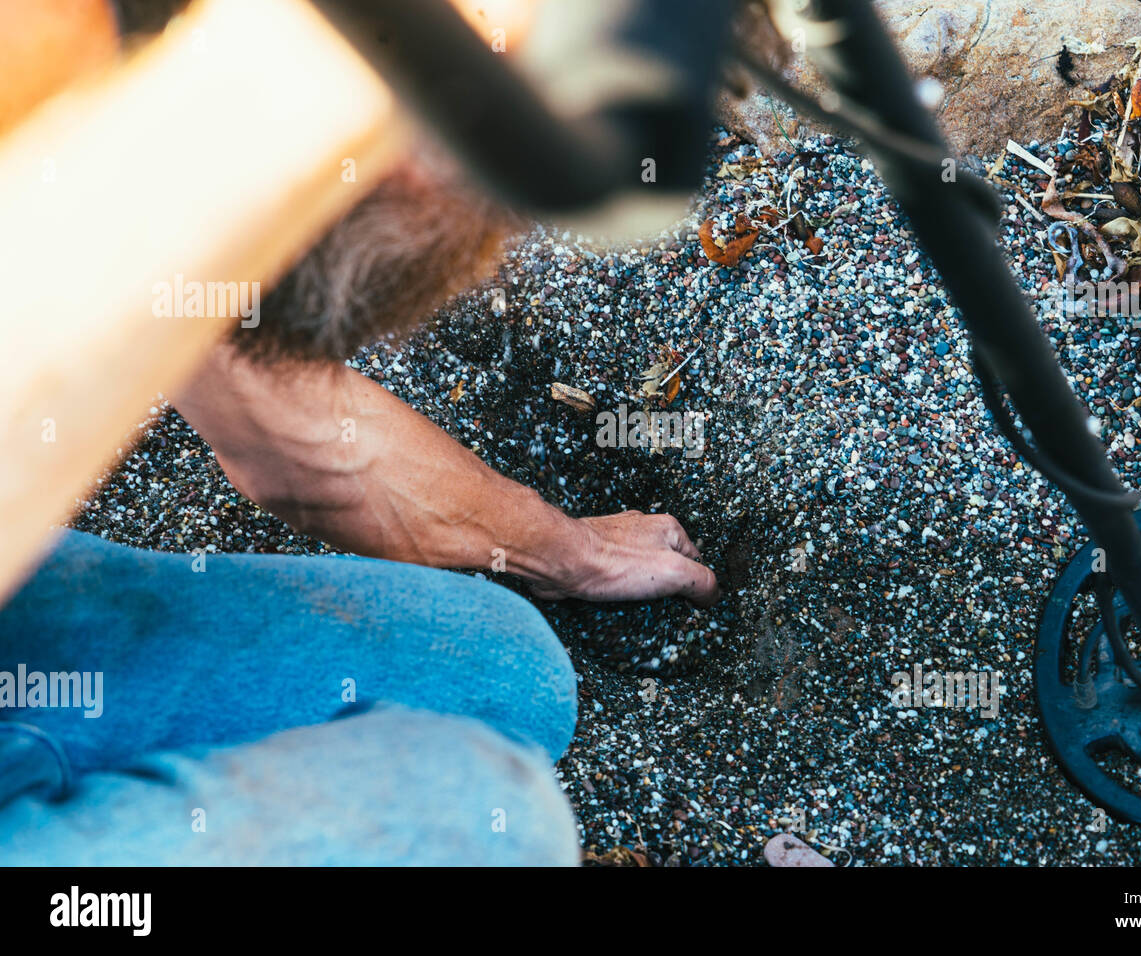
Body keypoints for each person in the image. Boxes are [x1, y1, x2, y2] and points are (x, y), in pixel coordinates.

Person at [0, 0, 717, 865]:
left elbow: (298, 438)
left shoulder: (82, 115)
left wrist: (565, 552)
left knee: (502, 676)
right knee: (484, 826)